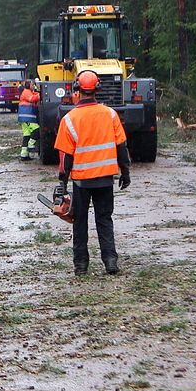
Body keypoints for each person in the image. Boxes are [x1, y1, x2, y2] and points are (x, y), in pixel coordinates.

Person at [53, 70, 130, 275]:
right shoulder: (110, 114)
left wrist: (63, 182)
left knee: (80, 221)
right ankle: (110, 261)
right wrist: (125, 172)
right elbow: (121, 147)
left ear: (77, 89)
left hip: (81, 181)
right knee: (104, 219)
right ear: (98, 89)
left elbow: (66, 156)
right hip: (105, 178)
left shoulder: (69, 119)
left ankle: (81, 265)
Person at [17, 79, 40, 161]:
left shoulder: (28, 92)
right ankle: (31, 144)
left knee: (27, 135)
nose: (33, 86)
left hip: (25, 117)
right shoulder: (26, 92)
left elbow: (34, 94)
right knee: (37, 130)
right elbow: (32, 98)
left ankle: (24, 154)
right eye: (32, 84)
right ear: (28, 85)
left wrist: (38, 93)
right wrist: (40, 95)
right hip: (27, 117)